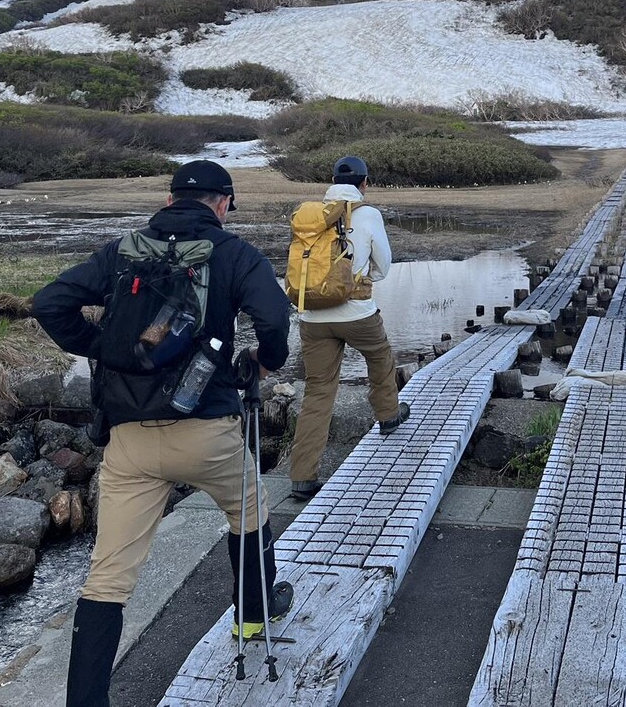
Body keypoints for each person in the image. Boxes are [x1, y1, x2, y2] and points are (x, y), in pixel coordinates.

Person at [32, 161, 293, 707]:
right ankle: (252, 615)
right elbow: (272, 318)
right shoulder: (235, 254)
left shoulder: (121, 250)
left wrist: (101, 347)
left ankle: (85, 702)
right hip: (209, 432)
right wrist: (263, 363)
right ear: (222, 204)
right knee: (248, 511)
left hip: (128, 443)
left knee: (107, 579)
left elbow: (49, 303)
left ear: (171, 198)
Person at [288, 154, 410, 499]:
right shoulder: (368, 214)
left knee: (318, 392)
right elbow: (383, 268)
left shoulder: (310, 216)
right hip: (356, 314)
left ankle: (302, 477)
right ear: (364, 183)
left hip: (311, 316)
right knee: (380, 355)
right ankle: (388, 414)